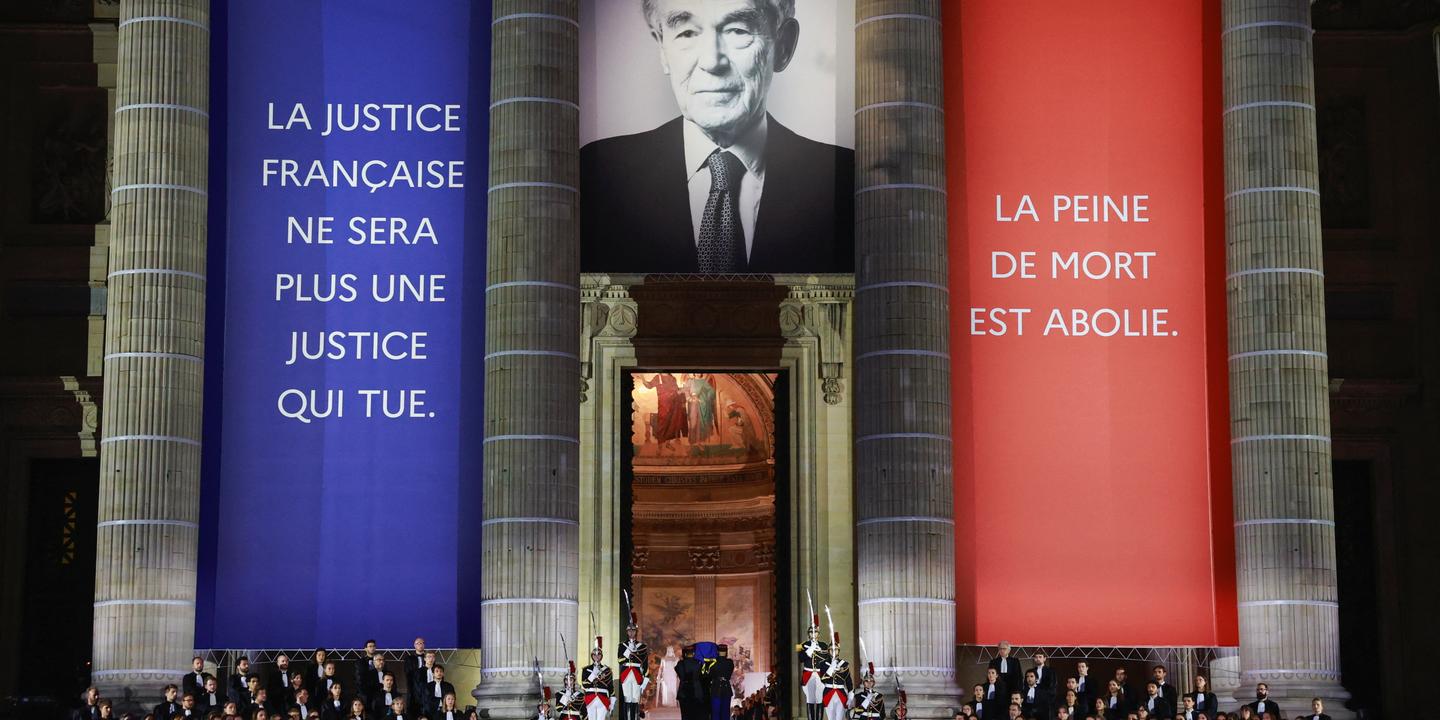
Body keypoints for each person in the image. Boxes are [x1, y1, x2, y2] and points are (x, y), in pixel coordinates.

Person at [579, 0, 855, 274]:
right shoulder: (595, 175)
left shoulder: (846, 183)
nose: (712, 61)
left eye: (738, 30)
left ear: (783, 46)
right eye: (687, 33)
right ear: (663, 50)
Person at [797, 614, 829, 720]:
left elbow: (828, 660)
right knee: (810, 699)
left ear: (818, 633)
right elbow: (801, 659)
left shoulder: (824, 645)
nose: (813, 634)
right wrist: (810, 649)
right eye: (811, 632)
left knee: (820, 699)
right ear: (808, 634)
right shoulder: (802, 645)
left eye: (815, 632)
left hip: (820, 674)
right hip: (808, 674)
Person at [618, 615, 650, 720]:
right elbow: (620, 660)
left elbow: (645, 663)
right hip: (626, 673)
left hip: (637, 672)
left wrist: (646, 677)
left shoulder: (642, 646)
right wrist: (628, 651)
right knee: (627, 699)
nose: (631, 633)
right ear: (627, 632)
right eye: (629, 631)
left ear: (636, 632)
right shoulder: (622, 646)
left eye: (633, 631)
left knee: (635, 699)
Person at [819, 633, 851, 720]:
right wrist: (831, 668)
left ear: (838, 651)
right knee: (831, 718)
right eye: (831, 650)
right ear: (828, 651)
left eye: (835, 650)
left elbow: (848, 681)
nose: (833, 652)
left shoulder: (844, 664)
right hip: (828, 692)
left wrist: (851, 693)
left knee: (839, 718)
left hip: (841, 693)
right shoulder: (823, 664)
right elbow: (823, 679)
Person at [582, 639, 615, 720]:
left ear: (601, 656)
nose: (596, 656)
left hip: (603, 697)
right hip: (590, 697)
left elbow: (610, 686)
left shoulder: (607, 670)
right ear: (592, 656)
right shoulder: (586, 669)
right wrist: (593, 674)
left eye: (599, 654)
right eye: (594, 654)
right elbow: (585, 684)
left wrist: (612, 702)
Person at [703, 644, 735, 720]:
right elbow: (728, 675)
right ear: (726, 652)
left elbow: (709, 676)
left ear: (717, 652)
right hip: (726, 688)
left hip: (716, 689)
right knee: (725, 713)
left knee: (715, 713)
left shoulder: (713, 663)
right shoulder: (730, 662)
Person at [676, 644, 708, 720]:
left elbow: (679, 674)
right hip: (696, 691)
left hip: (684, 691)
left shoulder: (680, 664)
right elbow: (701, 676)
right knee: (696, 714)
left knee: (685, 714)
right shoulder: (699, 663)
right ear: (693, 653)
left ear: (685, 653)